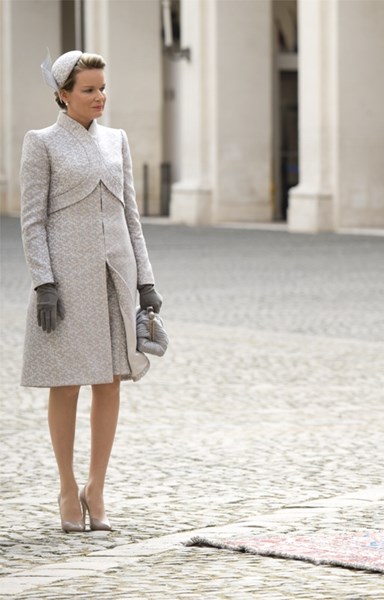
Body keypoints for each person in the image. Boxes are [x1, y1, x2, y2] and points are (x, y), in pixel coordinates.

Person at [20, 50, 163, 532]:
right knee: (66, 383)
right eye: (89, 89)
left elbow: (131, 216)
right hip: (66, 278)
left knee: (111, 381)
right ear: (63, 94)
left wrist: (146, 281)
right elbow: (32, 221)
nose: (100, 96)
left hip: (116, 275)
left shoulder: (116, 140)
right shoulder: (41, 143)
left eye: (103, 88)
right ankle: (67, 486)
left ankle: (95, 487)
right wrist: (44, 282)